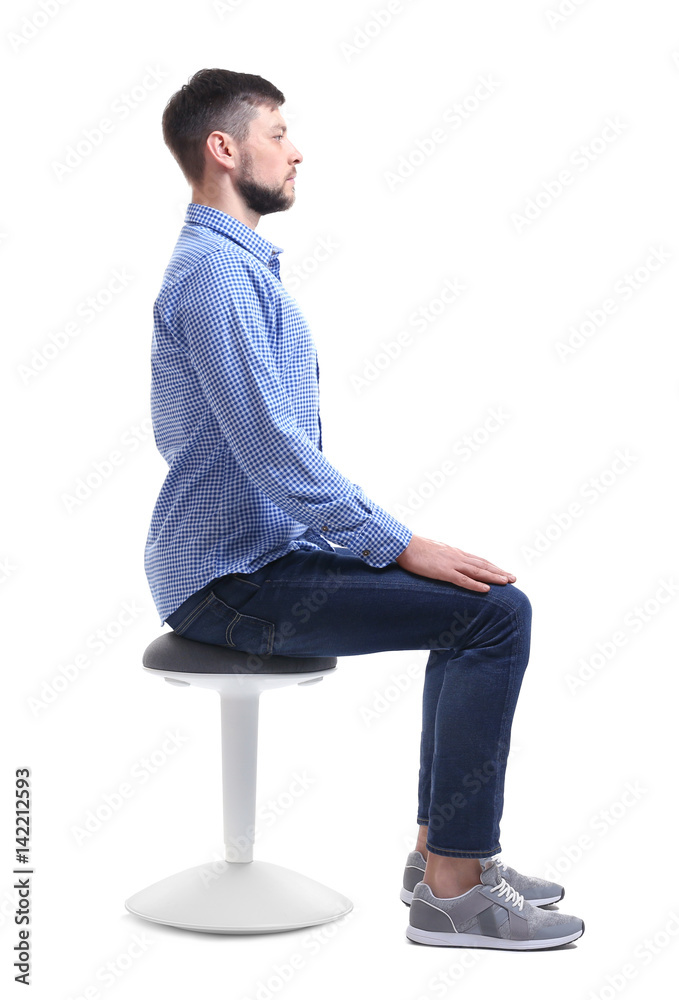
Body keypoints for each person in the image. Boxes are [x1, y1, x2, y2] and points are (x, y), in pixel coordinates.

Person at [145, 68, 584, 950]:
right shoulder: (213, 281)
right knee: (494, 617)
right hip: (231, 583)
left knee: (481, 609)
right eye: (277, 131)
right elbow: (274, 455)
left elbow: (275, 458)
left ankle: (440, 858)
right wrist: (399, 544)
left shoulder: (238, 271)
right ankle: (453, 892)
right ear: (223, 150)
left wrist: (388, 550)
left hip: (261, 561)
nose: (295, 147)